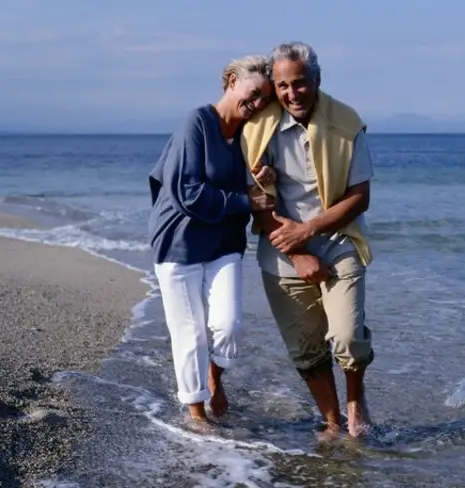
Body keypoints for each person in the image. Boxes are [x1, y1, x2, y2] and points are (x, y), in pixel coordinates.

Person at [241, 42, 375, 439]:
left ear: (316, 80)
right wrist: (297, 250)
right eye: (282, 86)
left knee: (348, 338)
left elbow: (360, 197)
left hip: (337, 238)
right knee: (307, 351)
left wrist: (310, 230)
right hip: (281, 247)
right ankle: (332, 422)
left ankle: (355, 407)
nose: (291, 94)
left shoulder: (347, 123)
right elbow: (254, 203)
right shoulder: (257, 129)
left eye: (299, 84)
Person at [148, 55, 276, 425]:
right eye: (252, 95)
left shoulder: (250, 136)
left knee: (229, 324)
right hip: (180, 242)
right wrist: (244, 199)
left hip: (224, 242)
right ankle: (196, 415)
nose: (254, 106)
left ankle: (214, 378)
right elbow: (188, 193)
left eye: (262, 102)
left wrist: (261, 178)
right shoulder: (197, 123)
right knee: (189, 334)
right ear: (231, 81)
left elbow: (256, 188)